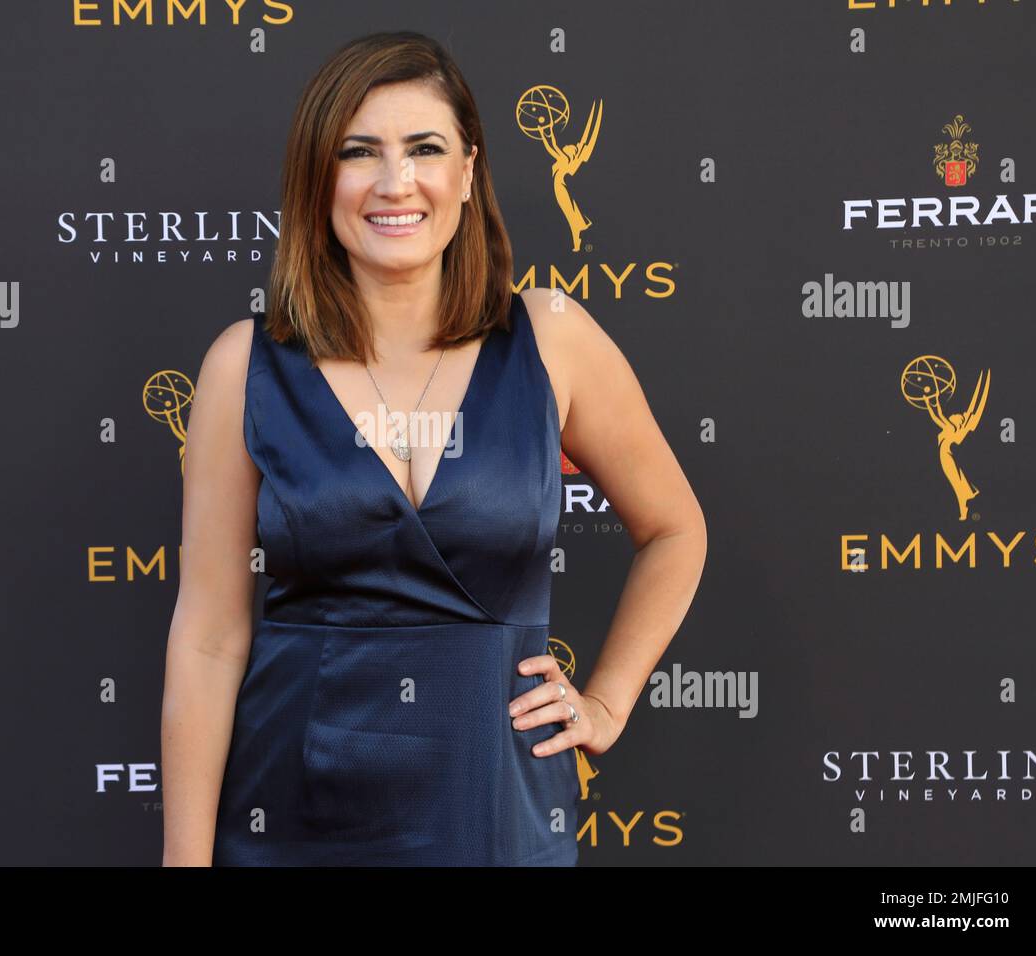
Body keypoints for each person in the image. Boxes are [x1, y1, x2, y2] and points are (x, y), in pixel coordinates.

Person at [161, 30, 706, 866]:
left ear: (468, 170)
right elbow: (207, 639)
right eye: (359, 152)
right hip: (290, 808)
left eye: (425, 149)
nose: (395, 182)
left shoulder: (551, 339)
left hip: (494, 808)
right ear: (319, 178)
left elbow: (675, 529)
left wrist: (607, 701)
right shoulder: (245, 366)